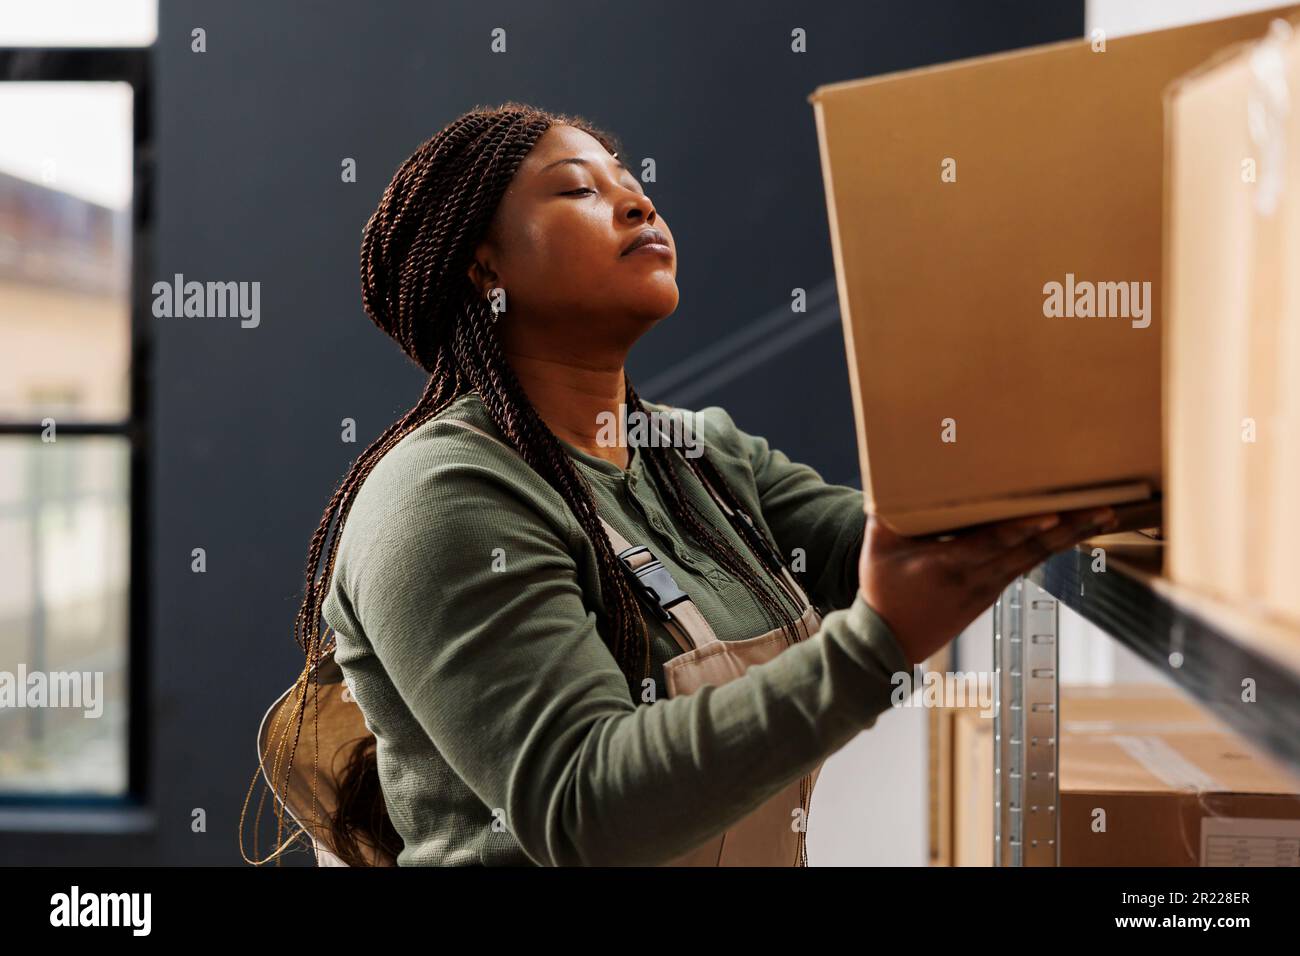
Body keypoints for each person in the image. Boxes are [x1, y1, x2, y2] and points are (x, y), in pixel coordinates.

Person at [283, 102, 1117, 867]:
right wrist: (874, 651)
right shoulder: (443, 497)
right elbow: (583, 808)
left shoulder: (699, 460)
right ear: (482, 268)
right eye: (576, 190)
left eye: (634, 184)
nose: (638, 203)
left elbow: (906, 531)